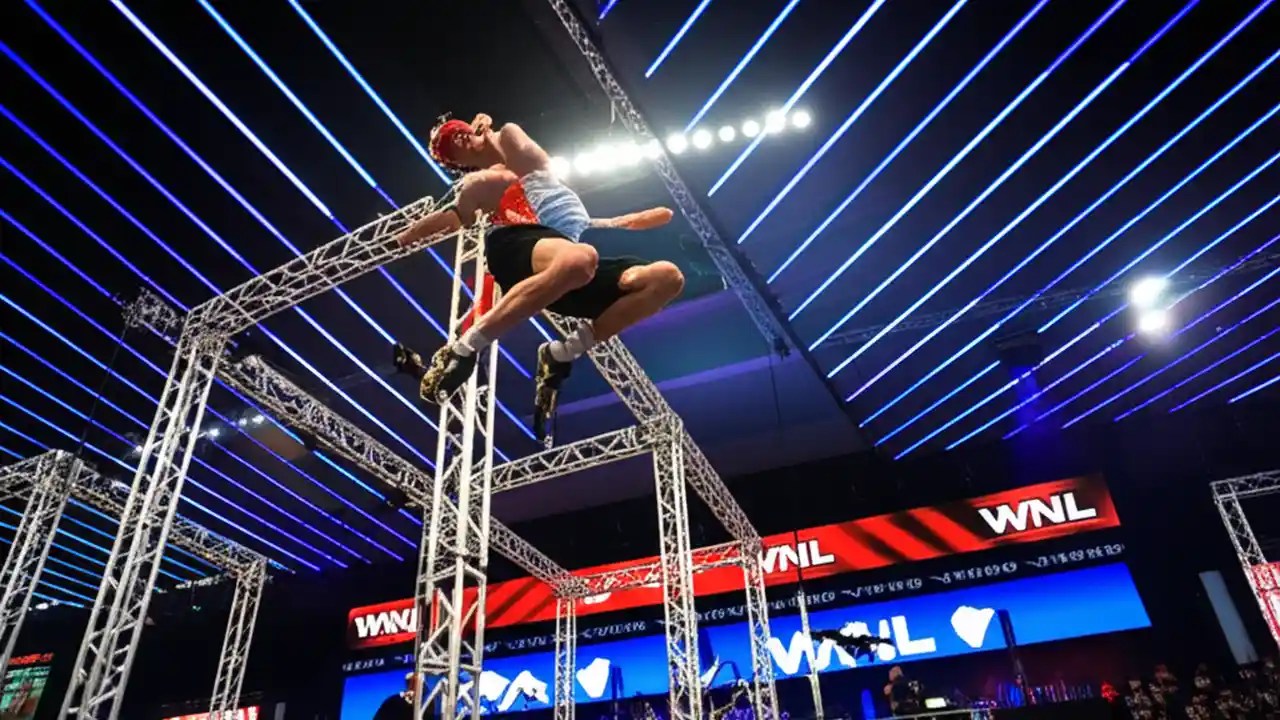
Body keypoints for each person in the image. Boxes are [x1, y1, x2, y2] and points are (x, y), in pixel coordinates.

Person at [392, 113, 682, 438]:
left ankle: (561, 354)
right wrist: (404, 237)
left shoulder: (516, 145)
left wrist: (628, 220)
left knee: (667, 277)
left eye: (456, 132)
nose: (457, 138)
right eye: (449, 144)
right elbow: (455, 218)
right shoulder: (480, 183)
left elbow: (516, 149)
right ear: (455, 162)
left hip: (562, 262)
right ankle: (465, 349)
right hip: (515, 248)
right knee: (581, 258)